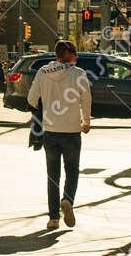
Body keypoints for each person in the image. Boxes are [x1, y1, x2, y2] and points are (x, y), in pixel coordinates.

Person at [27, 40, 92, 229]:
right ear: (67, 54)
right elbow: (86, 100)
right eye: (75, 52)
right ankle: (68, 200)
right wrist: (86, 122)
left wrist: (45, 108)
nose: (77, 56)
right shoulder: (79, 74)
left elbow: (32, 99)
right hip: (72, 130)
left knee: (52, 175)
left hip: (50, 131)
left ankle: (53, 218)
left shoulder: (42, 72)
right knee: (72, 171)